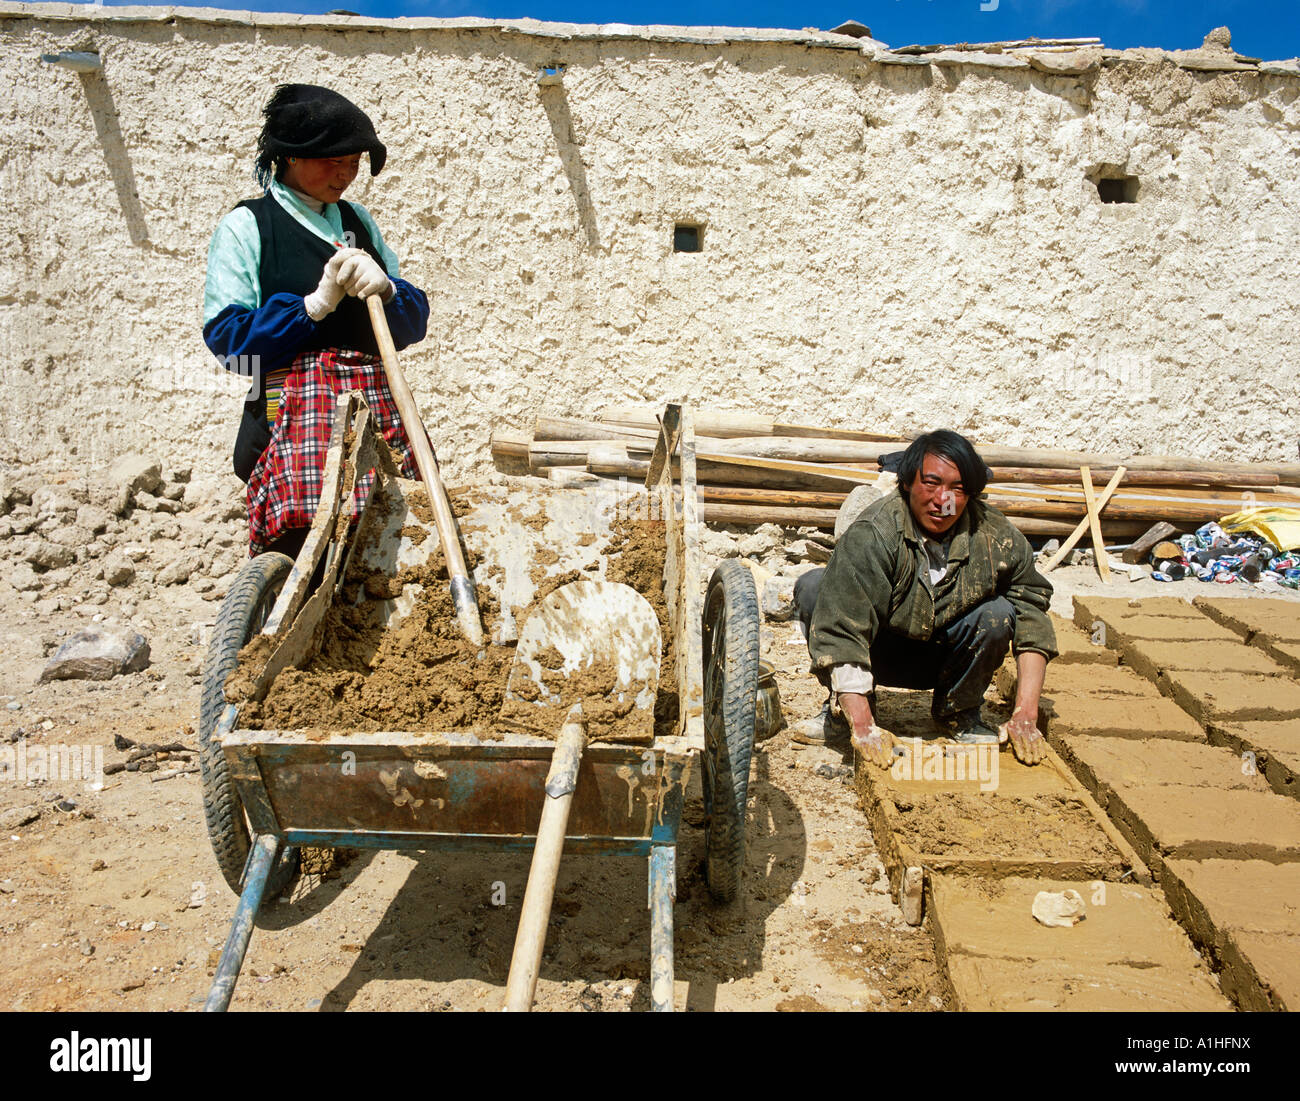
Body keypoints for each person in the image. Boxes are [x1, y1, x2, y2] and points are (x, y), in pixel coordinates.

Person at [202, 84, 431, 560]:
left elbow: (410, 326)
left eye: (354, 163)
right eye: (334, 161)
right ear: (290, 157)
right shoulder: (248, 226)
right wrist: (311, 307)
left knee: (389, 537)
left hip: (373, 410)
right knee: (303, 543)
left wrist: (389, 289)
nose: (346, 174)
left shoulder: (358, 221)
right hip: (292, 419)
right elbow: (231, 345)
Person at [794, 430, 1056, 766]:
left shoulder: (995, 536)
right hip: (876, 653)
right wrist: (862, 726)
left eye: (958, 489)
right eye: (931, 484)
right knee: (816, 588)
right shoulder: (874, 533)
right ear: (906, 484)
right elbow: (841, 630)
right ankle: (846, 711)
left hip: (944, 659)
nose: (943, 500)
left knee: (998, 613)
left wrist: (1026, 715)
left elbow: (1031, 609)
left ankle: (959, 712)